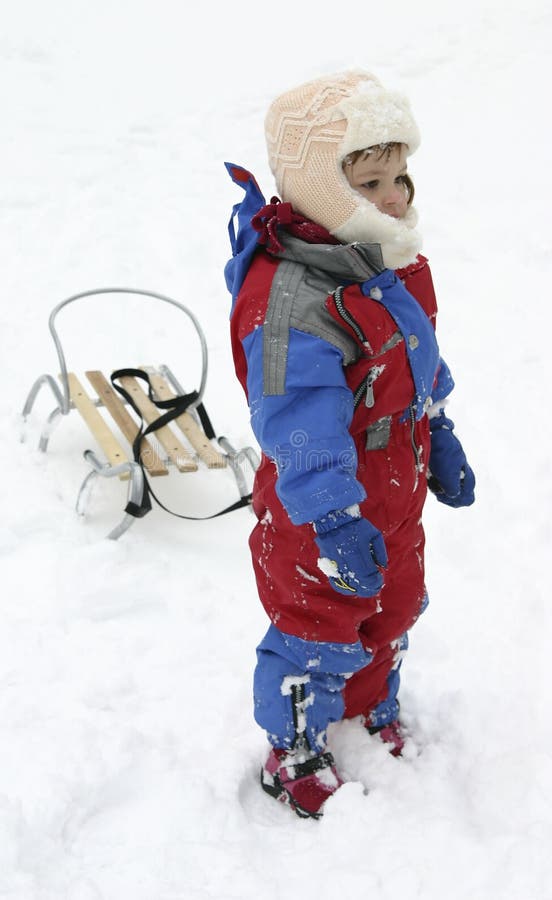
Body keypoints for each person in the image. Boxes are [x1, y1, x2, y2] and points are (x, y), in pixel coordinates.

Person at [224, 69, 475, 820]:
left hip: (396, 480)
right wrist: (332, 518)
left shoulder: (382, 257)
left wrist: (438, 425)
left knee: (394, 604)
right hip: (320, 500)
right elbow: (297, 425)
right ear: (320, 188)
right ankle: (295, 744)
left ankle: (367, 707)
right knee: (319, 621)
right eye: (370, 180)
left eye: (401, 175)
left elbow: (416, 353)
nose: (396, 195)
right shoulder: (294, 302)